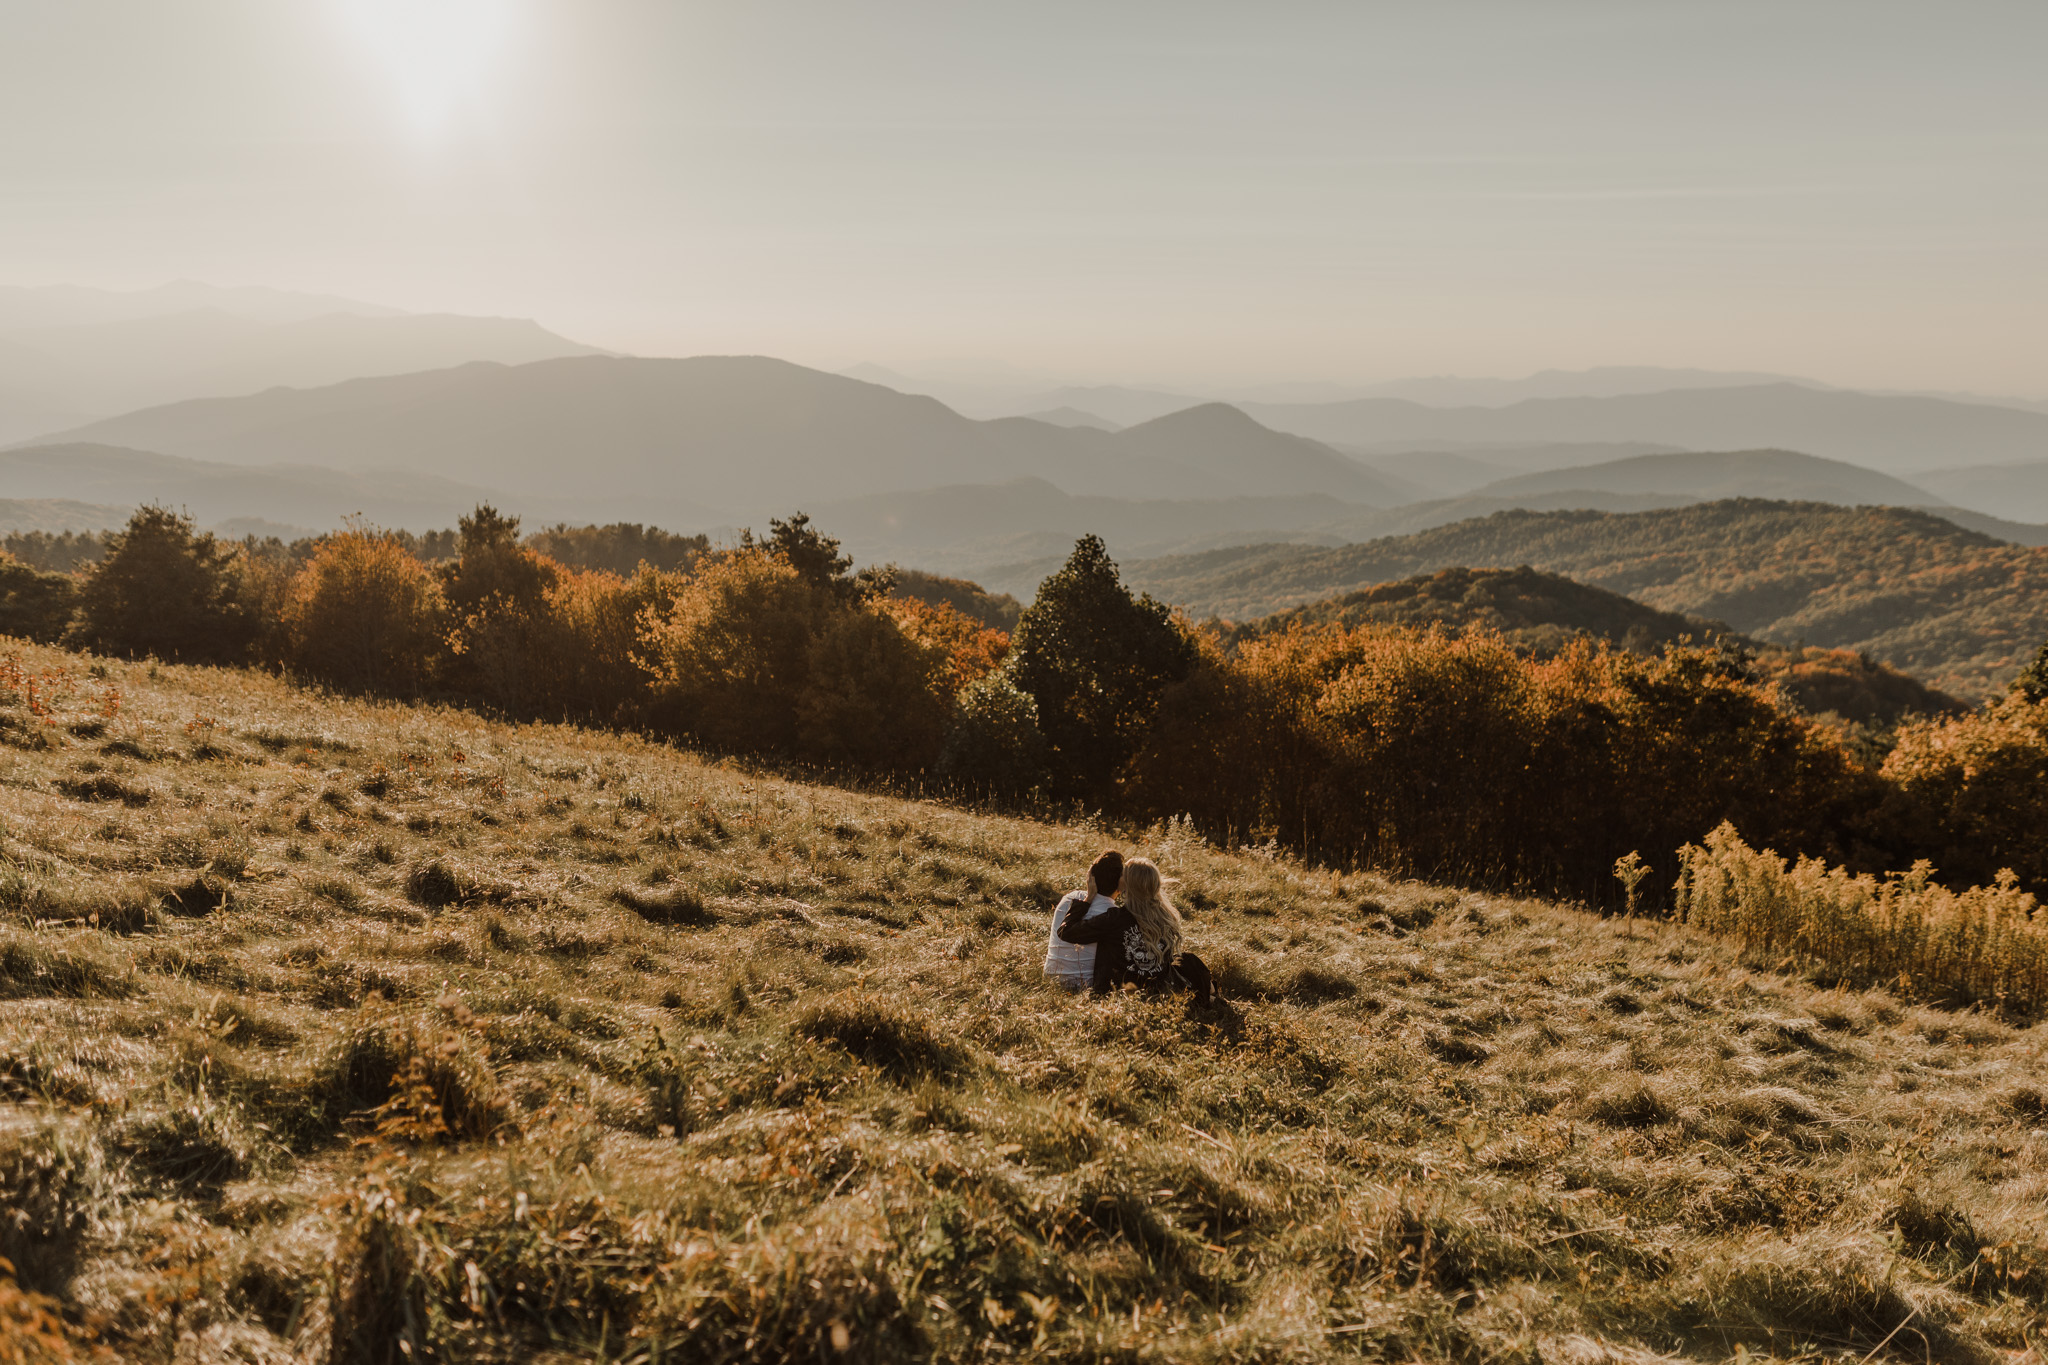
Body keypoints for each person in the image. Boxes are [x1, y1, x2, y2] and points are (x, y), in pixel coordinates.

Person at [1057, 856, 1213, 1006]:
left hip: (1117, 995)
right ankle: (1210, 993)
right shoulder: (1165, 918)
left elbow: (1066, 931)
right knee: (1187, 961)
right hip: (1158, 991)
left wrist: (1088, 899)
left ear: (1126, 885)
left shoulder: (1113, 919)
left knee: (1186, 960)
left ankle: (1210, 992)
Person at [1044, 849, 1122, 991]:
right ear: (1121, 884)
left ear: (1090, 877)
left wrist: (1087, 900)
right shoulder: (1115, 915)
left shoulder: (1069, 899)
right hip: (1084, 986)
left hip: (1050, 980)